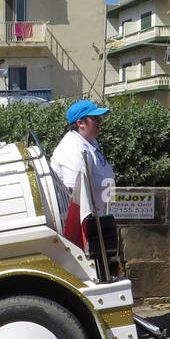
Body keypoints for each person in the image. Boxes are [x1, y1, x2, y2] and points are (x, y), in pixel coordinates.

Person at [50, 99, 115, 248]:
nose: (100, 121)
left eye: (100, 118)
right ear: (80, 123)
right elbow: (75, 194)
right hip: (84, 225)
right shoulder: (74, 147)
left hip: (97, 217)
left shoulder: (89, 142)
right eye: (95, 118)